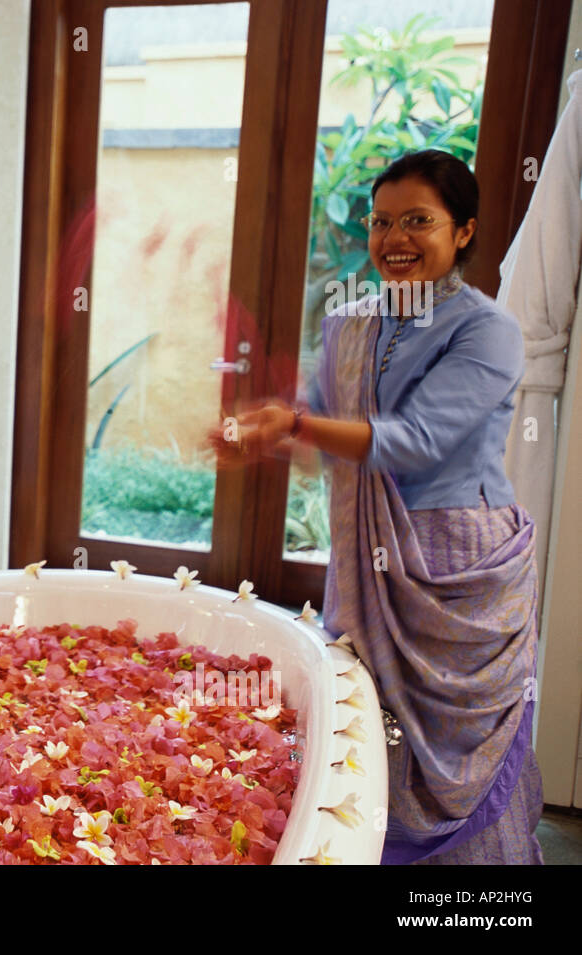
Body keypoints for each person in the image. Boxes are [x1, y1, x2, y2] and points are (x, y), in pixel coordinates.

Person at [208, 149, 544, 865]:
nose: (395, 238)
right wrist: (265, 433)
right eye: (381, 221)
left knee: (458, 760)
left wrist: (294, 424)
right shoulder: (350, 326)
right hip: (370, 573)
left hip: (458, 575)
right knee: (367, 741)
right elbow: (329, 430)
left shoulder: (488, 332)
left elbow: (414, 442)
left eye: (418, 220)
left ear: (464, 231)